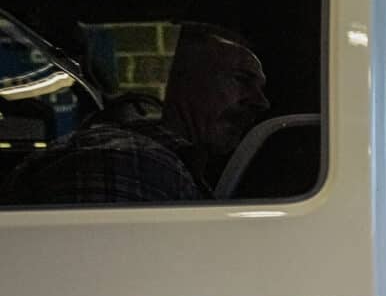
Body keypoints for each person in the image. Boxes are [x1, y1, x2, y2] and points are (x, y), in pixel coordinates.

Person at [2, 22, 269, 204]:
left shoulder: (159, 163)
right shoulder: (128, 160)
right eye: (242, 79)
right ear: (176, 80)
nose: (261, 102)